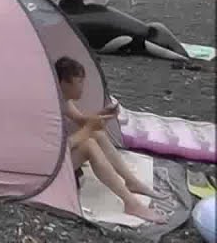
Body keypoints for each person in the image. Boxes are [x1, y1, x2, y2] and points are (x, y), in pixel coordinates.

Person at [55, 57, 163, 223]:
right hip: (48, 166)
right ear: (64, 83)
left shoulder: (63, 99)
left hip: (58, 156)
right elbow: (59, 148)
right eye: (79, 83)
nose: (82, 88)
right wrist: (89, 128)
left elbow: (83, 121)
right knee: (89, 145)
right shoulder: (50, 104)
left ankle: (131, 181)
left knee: (96, 133)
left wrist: (103, 115)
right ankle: (131, 203)